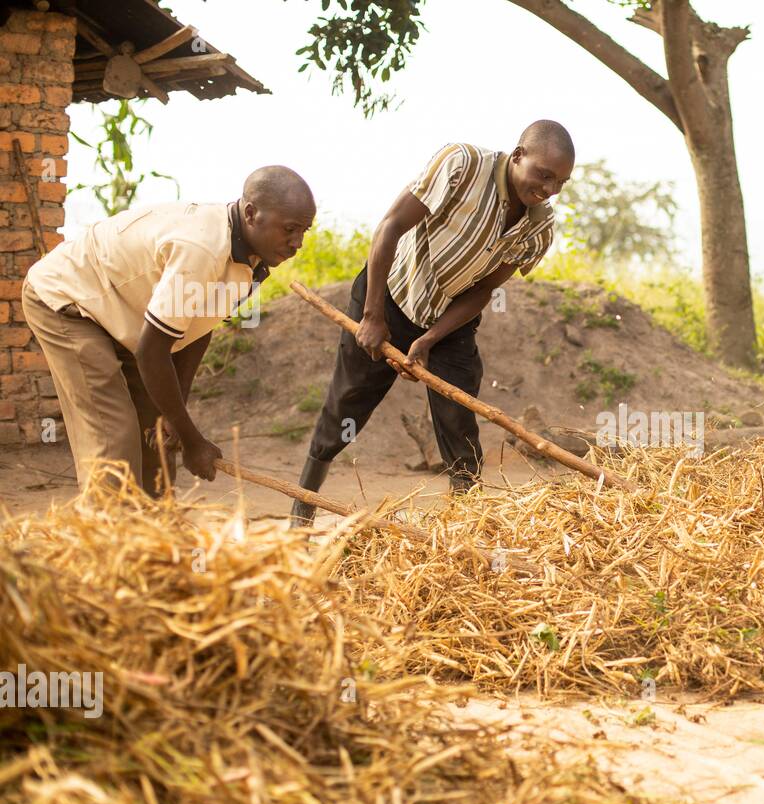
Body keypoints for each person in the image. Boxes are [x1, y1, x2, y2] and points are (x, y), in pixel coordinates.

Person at [290, 120, 573, 526]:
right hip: (387, 293)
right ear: (517, 155)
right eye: (544, 175)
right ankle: (301, 512)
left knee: (459, 417)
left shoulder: (539, 227)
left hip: (450, 321)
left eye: (561, 182)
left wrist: (430, 339)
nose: (549, 190)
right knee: (345, 405)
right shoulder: (461, 165)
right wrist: (372, 316)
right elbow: (389, 227)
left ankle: (468, 526)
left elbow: (483, 290)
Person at [22, 167, 316, 493]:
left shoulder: (253, 263)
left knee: (156, 435)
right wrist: (192, 440)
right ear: (251, 214)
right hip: (71, 300)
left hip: (127, 315)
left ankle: (156, 537)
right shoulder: (203, 249)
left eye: (304, 231)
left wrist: (175, 418)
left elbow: (197, 327)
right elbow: (151, 352)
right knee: (114, 433)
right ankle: (105, 536)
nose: (297, 243)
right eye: (290, 229)